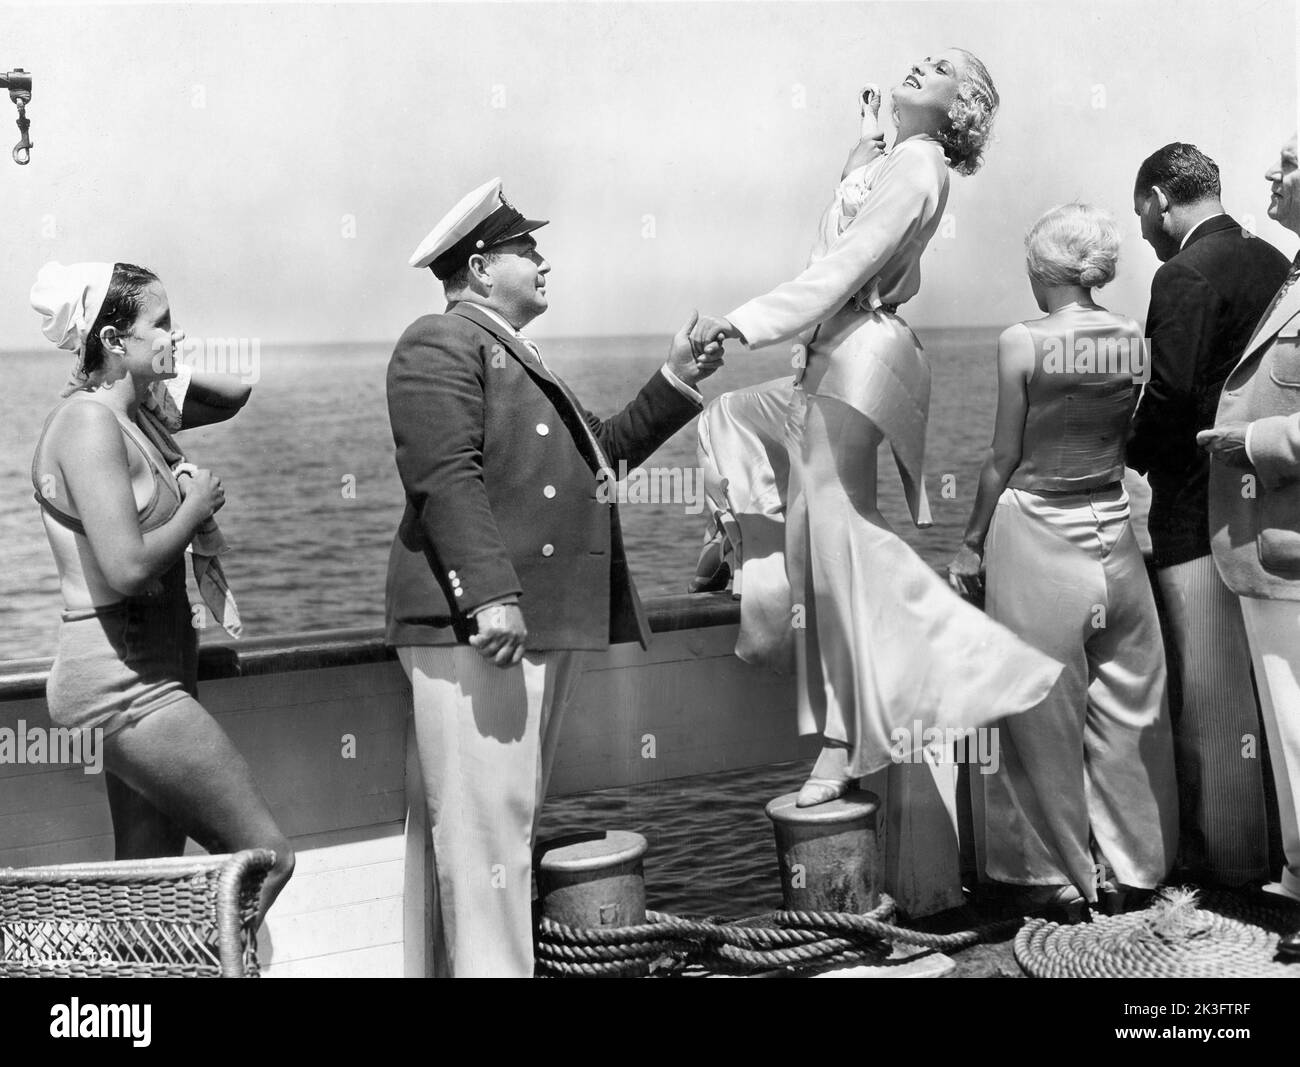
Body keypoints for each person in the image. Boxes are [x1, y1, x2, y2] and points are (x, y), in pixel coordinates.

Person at [690, 50, 1062, 806]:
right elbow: (834, 244)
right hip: (833, 349)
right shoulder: (898, 160)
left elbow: (848, 264)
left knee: (838, 537)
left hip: (862, 355)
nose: (923, 67)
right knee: (732, 420)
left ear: (963, 106)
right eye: (923, 59)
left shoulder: (922, 166)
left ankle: (852, 731)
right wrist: (858, 159)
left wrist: (743, 319)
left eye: (944, 69)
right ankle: (747, 559)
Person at [385, 178, 723, 977]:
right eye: (525, 248)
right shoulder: (439, 341)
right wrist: (491, 594)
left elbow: (597, 456)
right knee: (485, 836)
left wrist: (674, 378)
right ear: (476, 266)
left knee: (498, 827)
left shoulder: (509, 349)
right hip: (485, 629)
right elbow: (445, 476)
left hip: (530, 624)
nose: (543, 259)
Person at [28, 261, 293, 927]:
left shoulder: (138, 415)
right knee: (267, 856)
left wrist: (162, 358)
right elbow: (124, 567)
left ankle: (139, 991)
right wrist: (193, 503)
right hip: (124, 677)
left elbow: (237, 390)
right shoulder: (89, 425)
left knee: (148, 890)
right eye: (163, 322)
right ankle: (206, 968)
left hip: (157, 661)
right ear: (115, 339)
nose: (178, 333)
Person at [947, 205, 1179, 911]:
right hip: (1111, 522)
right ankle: (1137, 871)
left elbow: (1001, 457)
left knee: (1036, 711)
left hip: (1036, 530)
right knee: (1130, 700)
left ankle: (1054, 881)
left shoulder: (1021, 341)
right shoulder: (1128, 337)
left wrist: (969, 541)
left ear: (1041, 270)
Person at [1126, 143, 1292, 887]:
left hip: (1200, 519)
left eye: (1142, 215)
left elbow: (1169, 399)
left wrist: (1117, 454)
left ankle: (1233, 869)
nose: (1142, 234)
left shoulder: (1183, 273)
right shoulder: (1274, 262)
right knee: (1273, 703)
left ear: (1162, 199)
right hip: (1274, 518)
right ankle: (1278, 858)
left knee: (1218, 706)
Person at [1199, 133, 1300, 957]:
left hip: (1291, 544)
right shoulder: (1291, 274)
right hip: (1273, 547)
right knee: (1287, 722)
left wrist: (1253, 442)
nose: (1273, 174)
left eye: (1291, 163)